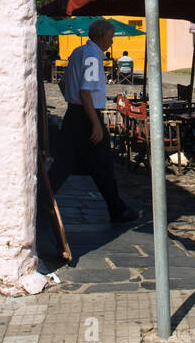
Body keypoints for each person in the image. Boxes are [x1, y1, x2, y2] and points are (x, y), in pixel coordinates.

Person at [52, 19, 140, 224]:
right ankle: (117, 210)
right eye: (110, 37)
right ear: (102, 36)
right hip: (87, 115)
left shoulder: (77, 52)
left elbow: (64, 83)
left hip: (74, 113)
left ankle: (42, 200)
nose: (111, 41)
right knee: (103, 165)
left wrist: (71, 101)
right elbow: (86, 92)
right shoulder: (92, 57)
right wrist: (95, 123)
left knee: (65, 164)